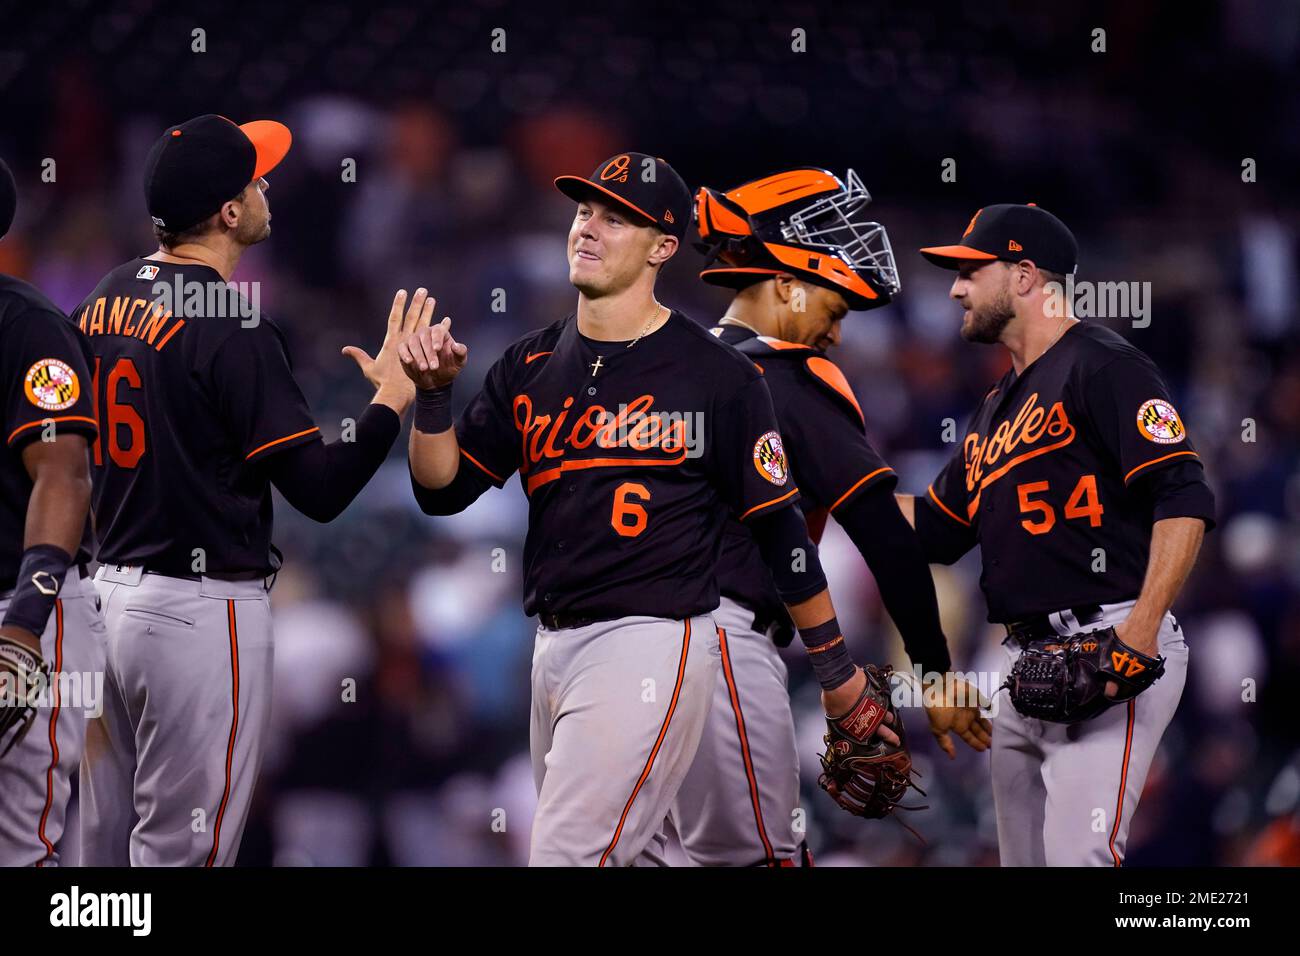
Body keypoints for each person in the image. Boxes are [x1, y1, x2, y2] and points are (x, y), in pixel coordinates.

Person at [402, 152, 898, 866]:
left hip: (652, 639)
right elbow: (440, 490)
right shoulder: (530, 365)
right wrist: (433, 397)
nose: (589, 228)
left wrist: (837, 675)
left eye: (618, 217)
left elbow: (784, 536)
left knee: (571, 858)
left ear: (664, 246)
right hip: (554, 647)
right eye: (585, 211)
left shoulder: (719, 373)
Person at [73, 114, 424, 866]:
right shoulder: (230, 321)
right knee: (184, 857)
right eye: (255, 178)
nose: (267, 186)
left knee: (99, 856)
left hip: (105, 601)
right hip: (196, 615)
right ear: (230, 213)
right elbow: (320, 490)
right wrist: (392, 401)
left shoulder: (103, 294)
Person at [668, 168, 990, 865]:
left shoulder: (665, 366)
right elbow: (886, 540)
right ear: (786, 283)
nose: (836, 335)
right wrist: (932, 674)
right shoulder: (785, 377)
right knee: (762, 857)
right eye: (834, 311)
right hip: (718, 645)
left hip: (613, 649)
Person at [898, 203, 1215, 865]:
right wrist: (826, 491)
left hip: (1112, 642)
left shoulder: (1104, 365)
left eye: (969, 272)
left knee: (1081, 858)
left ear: (1023, 275)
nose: (955, 289)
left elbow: (1184, 494)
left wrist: (1142, 629)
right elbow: (932, 530)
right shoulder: (993, 410)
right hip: (1025, 665)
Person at [0, 156, 105, 866]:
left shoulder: (30, 327)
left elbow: (64, 477)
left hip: (24, 607)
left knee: (18, 840)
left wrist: (23, 628)